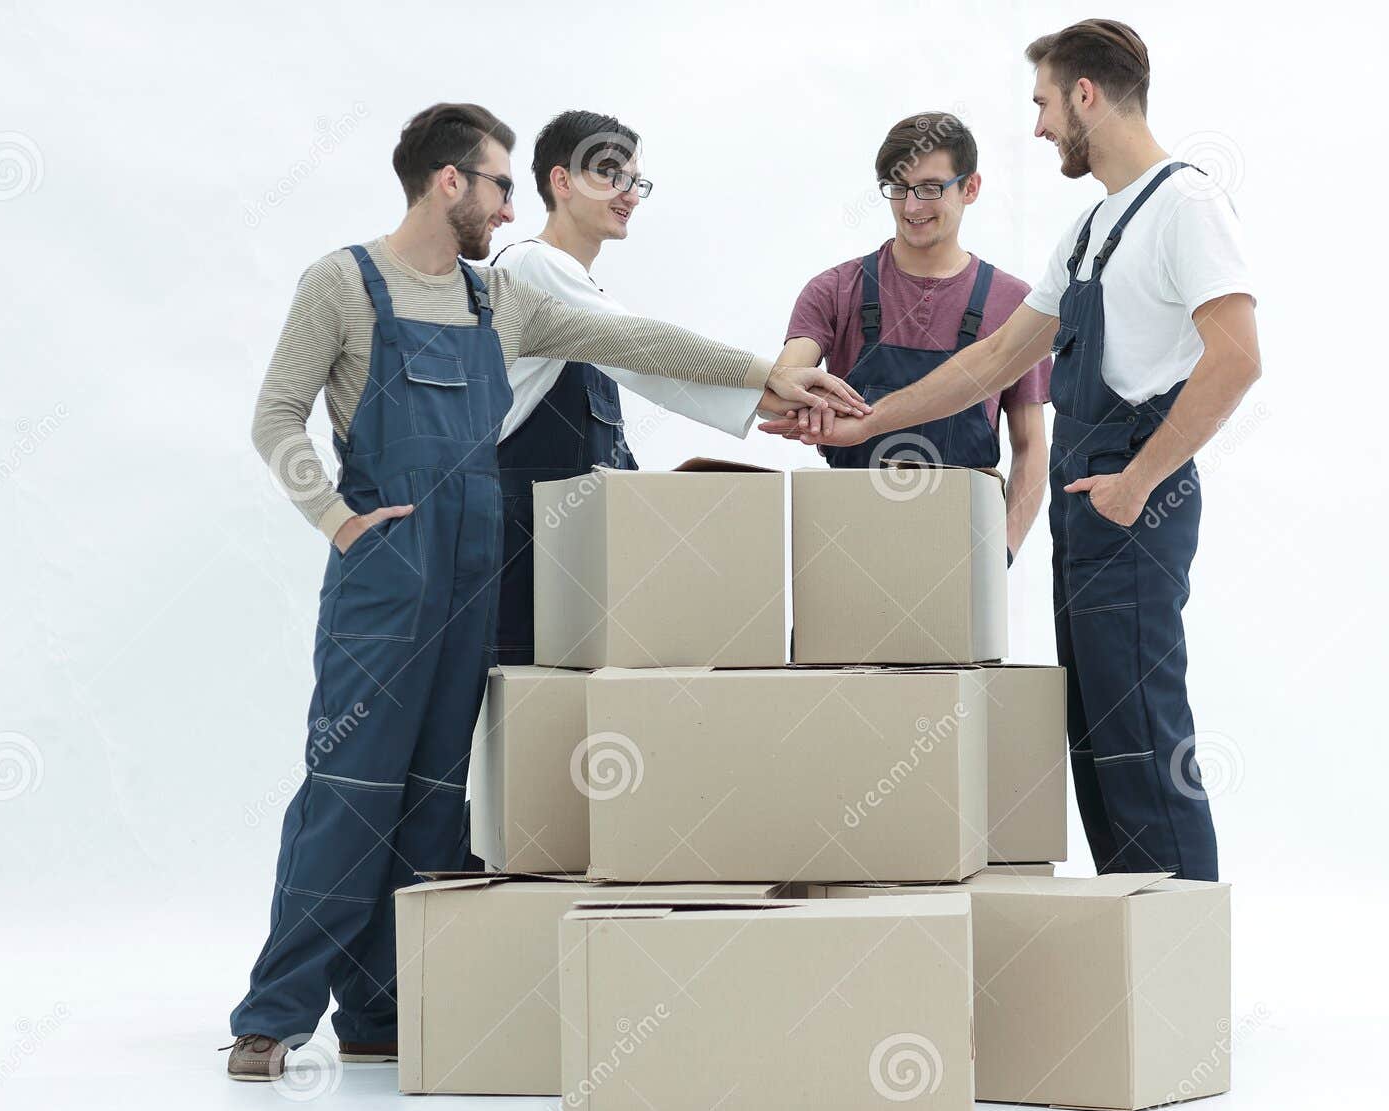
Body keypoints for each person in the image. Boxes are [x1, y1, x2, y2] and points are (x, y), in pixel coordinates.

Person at [228, 102, 866, 1082]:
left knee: (437, 799)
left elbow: (639, 342)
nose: (506, 202)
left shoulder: (500, 300)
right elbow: (277, 413)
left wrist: (765, 380)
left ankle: (383, 1012)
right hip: (387, 575)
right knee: (352, 789)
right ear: (449, 182)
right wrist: (338, 521)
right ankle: (274, 1019)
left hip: (475, 567)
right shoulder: (344, 283)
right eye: (495, 183)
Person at [764, 21, 1259, 882]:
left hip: (1132, 500)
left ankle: (1178, 977)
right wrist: (864, 422)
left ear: (1086, 96)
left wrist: (1140, 482)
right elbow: (993, 360)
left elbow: (1238, 358)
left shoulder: (1186, 205)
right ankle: (1130, 950)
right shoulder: (1095, 228)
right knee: (1101, 743)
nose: (1037, 127)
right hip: (1088, 503)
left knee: (1143, 737)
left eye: (1042, 103)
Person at [487, 110, 761, 666]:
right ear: (560, 181)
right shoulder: (530, 265)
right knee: (521, 726)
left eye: (636, 181)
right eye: (610, 174)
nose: (629, 193)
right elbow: (645, 353)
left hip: (566, 558)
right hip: (517, 556)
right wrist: (772, 385)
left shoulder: (577, 285)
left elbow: (619, 416)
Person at [775, 112, 1052, 561]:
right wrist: (785, 387)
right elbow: (790, 375)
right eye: (898, 188)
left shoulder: (1015, 306)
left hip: (961, 549)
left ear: (971, 187)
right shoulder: (835, 290)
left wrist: (1002, 549)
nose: (911, 207)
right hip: (845, 546)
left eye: (929, 188)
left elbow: (1031, 447)